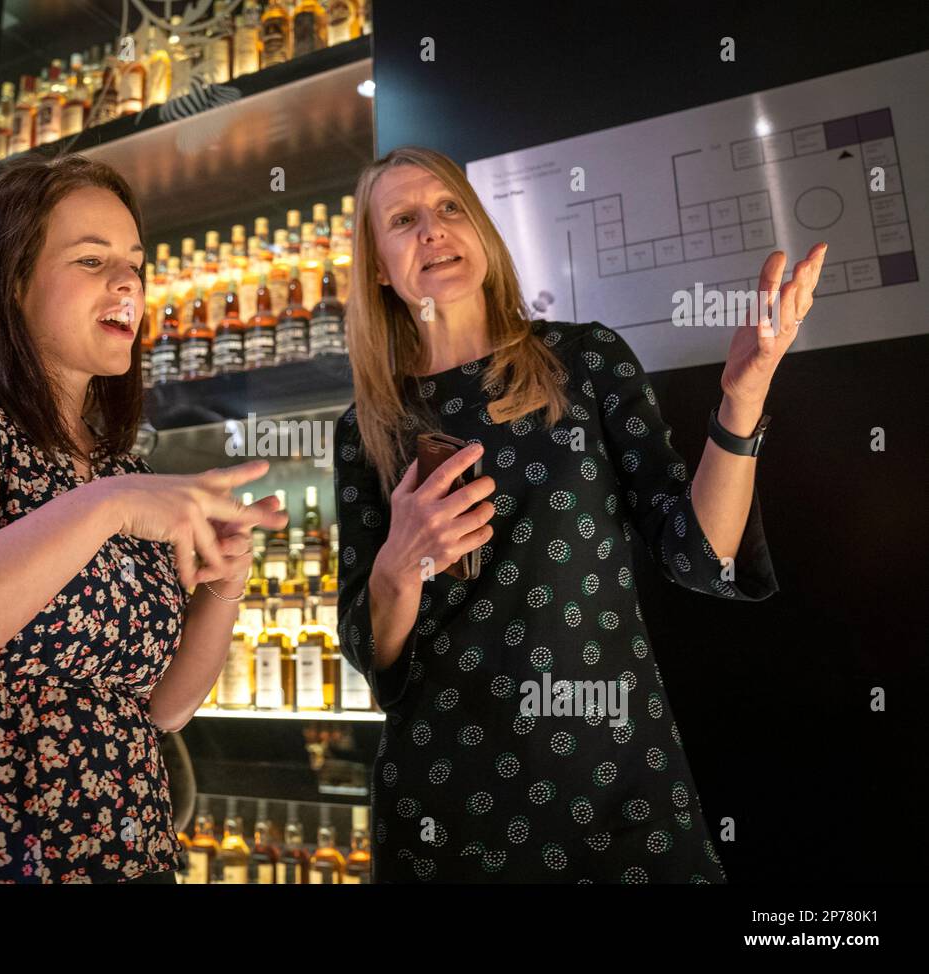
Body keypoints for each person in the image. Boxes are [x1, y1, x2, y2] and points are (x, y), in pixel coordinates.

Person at [334, 145, 825, 883]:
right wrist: (399, 567)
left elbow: (699, 554)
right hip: (446, 801)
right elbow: (371, 651)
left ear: (482, 234)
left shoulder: (586, 360)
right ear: (378, 267)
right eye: (403, 220)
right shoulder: (366, 425)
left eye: (449, 209)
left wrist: (741, 402)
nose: (432, 231)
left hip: (614, 782)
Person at [0, 153, 287, 883]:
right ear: (12, 281)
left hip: (127, 857)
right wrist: (101, 509)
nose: (127, 282)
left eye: (135, 263)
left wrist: (222, 589)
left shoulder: (119, 466)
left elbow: (156, 710)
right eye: (91, 259)